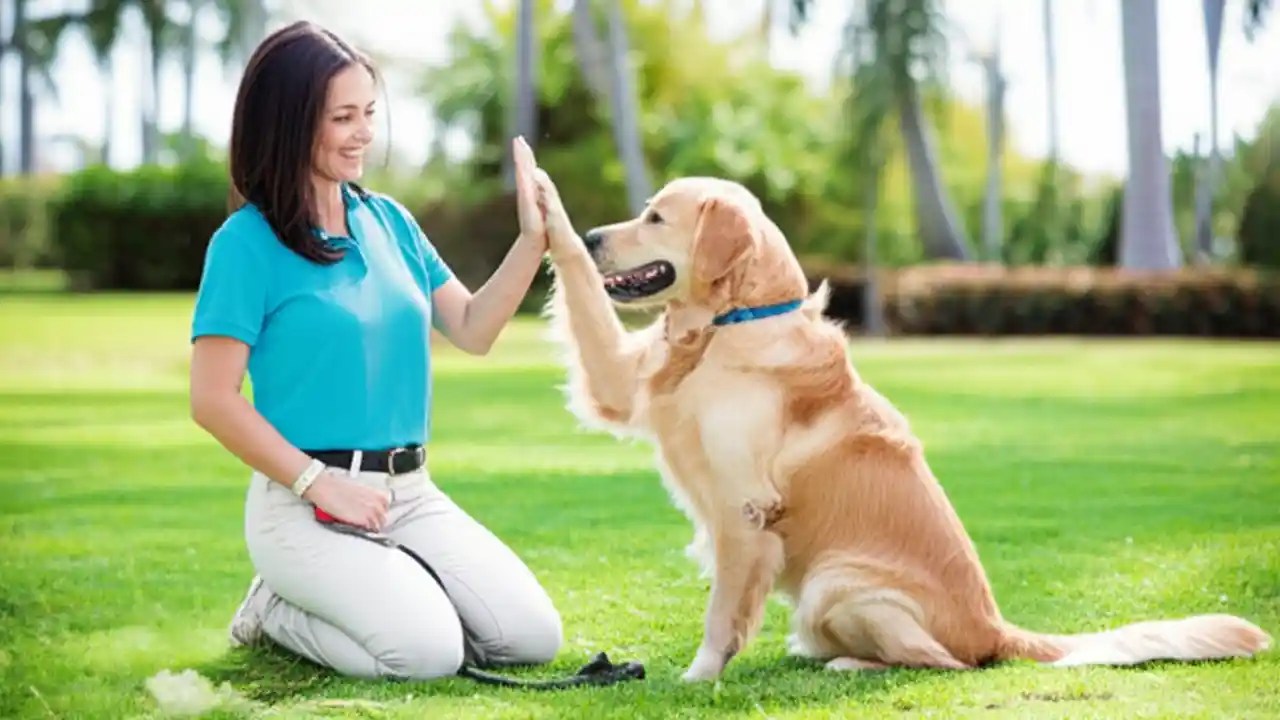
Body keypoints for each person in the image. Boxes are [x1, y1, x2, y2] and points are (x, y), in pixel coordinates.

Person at [188, 20, 561, 680]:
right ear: (290, 123)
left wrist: (532, 240)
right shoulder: (244, 246)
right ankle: (273, 607)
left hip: (410, 494)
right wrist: (318, 482)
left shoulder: (390, 221)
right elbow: (213, 401)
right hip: (301, 504)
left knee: (532, 636)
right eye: (343, 117)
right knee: (428, 655)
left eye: (369, 113)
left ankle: (393, 597)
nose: (364, 133)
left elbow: (473, 328)